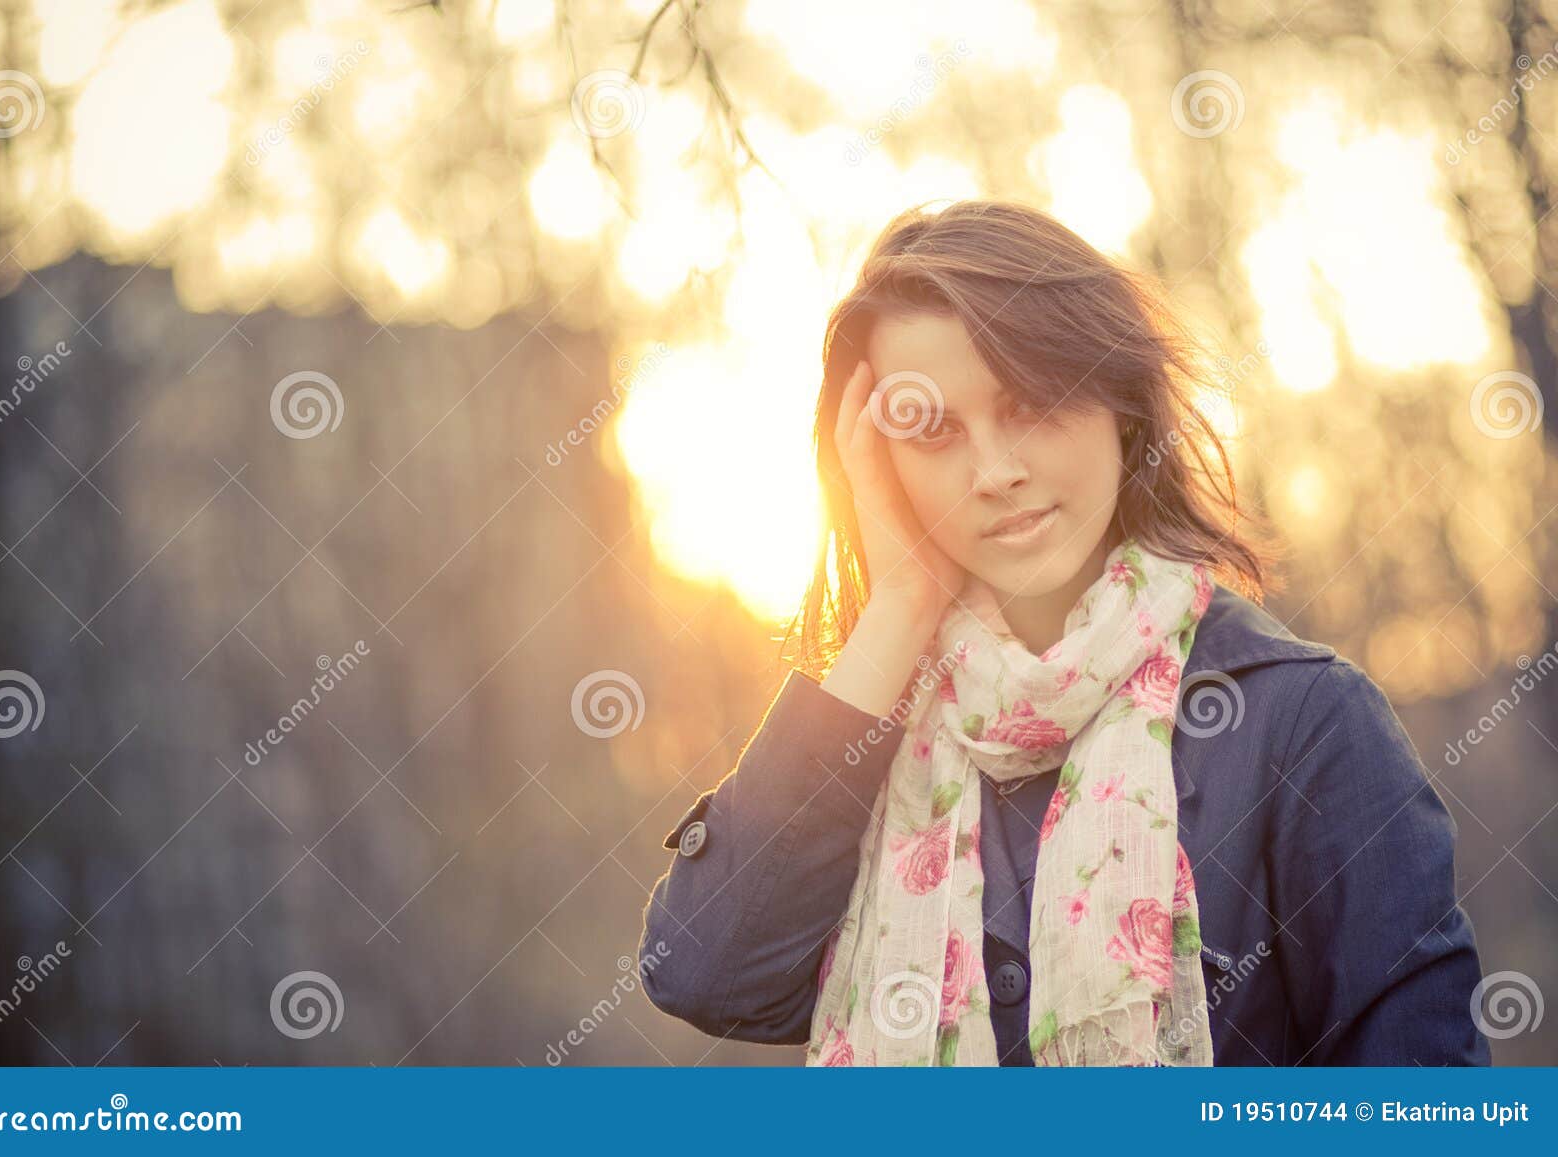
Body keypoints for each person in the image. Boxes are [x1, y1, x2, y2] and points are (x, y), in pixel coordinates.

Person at [637, 198, 1491, 1066]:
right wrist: (897, 605)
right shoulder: (878, 726)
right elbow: (707, 973)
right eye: (934, 431)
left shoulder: (1304, 723)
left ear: (1120, 399)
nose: (997, 471)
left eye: (1032, 404)